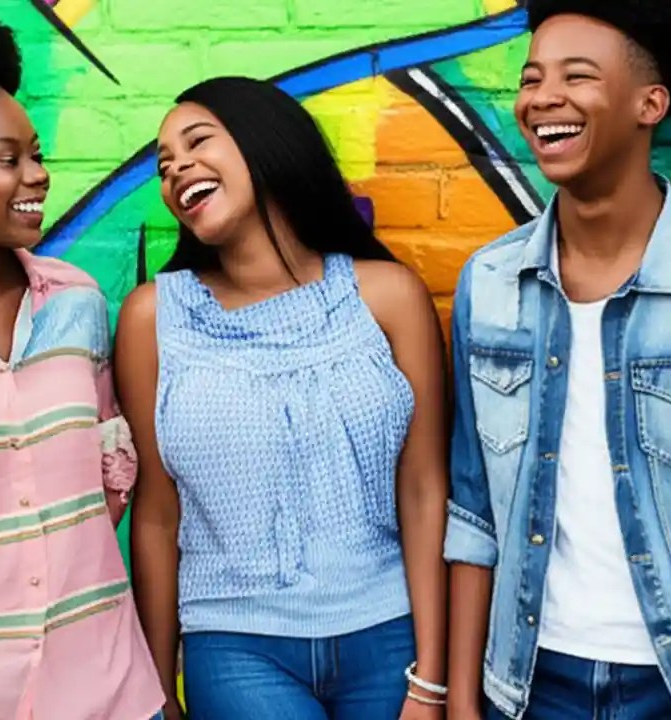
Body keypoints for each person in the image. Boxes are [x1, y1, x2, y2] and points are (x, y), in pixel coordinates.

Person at [443, 1, 671, 718]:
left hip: (670, 686)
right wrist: (461, 702)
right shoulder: (489, 284)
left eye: (577, 76)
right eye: (532, 78)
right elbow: (473, 509)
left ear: (649, 103)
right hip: (526, 680)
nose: (543, 99)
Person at [116, 76, 449, 720]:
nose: (177, 167)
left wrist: (430, 677)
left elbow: (424, 487)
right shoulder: (153, 319)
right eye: (164, 163)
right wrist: (159, 687)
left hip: (389, 635)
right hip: (236, 649)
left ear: (265, 143)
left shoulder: (386, 297)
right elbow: (157, 513)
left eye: (198, 141)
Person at [0, 7, 164, 719]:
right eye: (9, 159)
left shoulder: (77, 304)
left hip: (112, 691)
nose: (39, 176)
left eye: (38, 154)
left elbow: (109, 479)